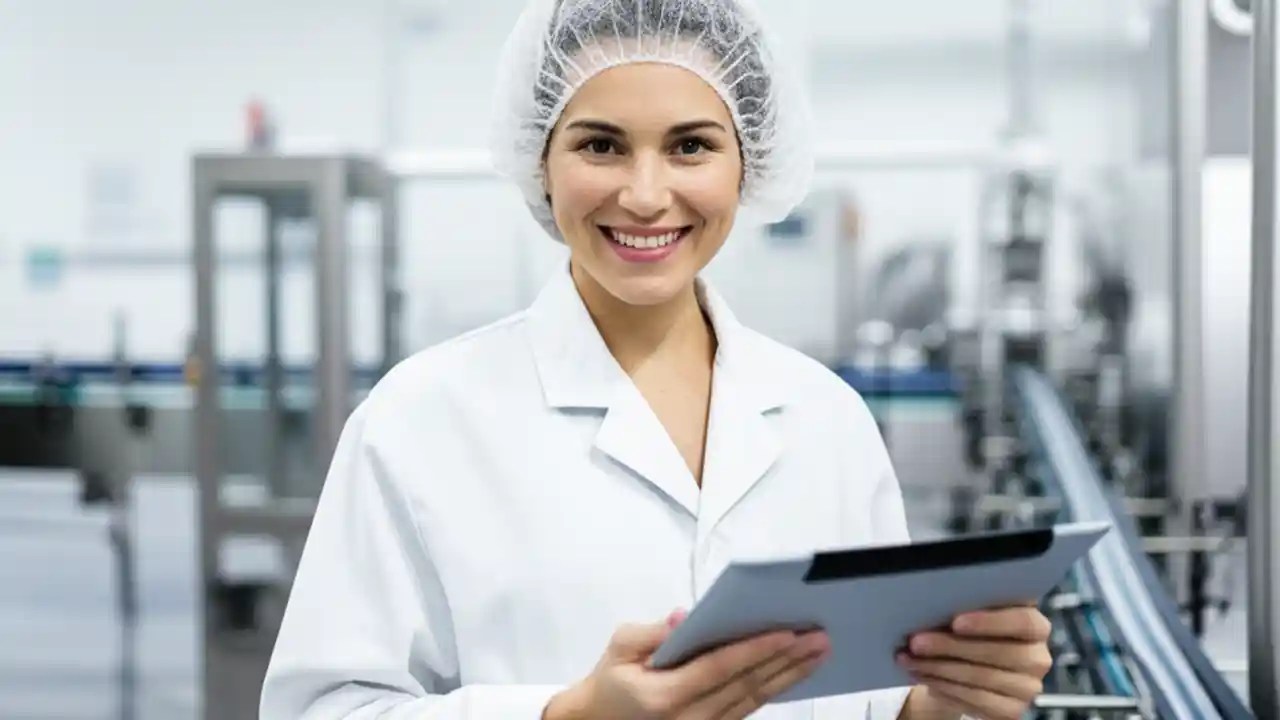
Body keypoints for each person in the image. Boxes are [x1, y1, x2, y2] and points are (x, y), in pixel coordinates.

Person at [259, 0, 1053, 718]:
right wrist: (569, 717)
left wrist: (945, 699)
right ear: (541, 158)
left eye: (691, 147)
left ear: (748, 165)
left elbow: (869, 698)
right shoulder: (420, 419)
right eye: (601, 144)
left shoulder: (826, 419)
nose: (644, 194)